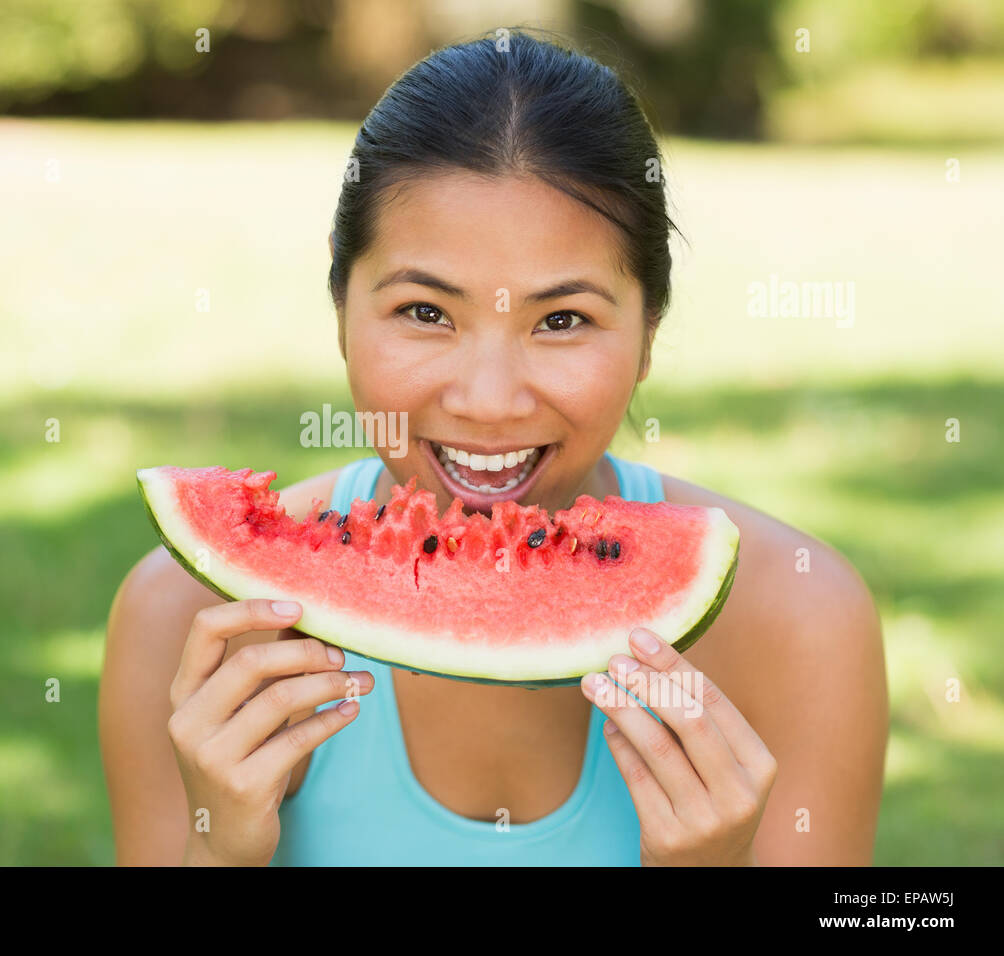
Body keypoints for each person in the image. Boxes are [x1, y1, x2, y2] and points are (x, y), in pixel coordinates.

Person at [99, 29, 887, 866]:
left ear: (649, 328)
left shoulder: (802, 621)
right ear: (340, 305)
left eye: (562, 321)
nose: (488, 400)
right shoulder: (186, 620)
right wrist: (219, 851)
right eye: (425, 312)